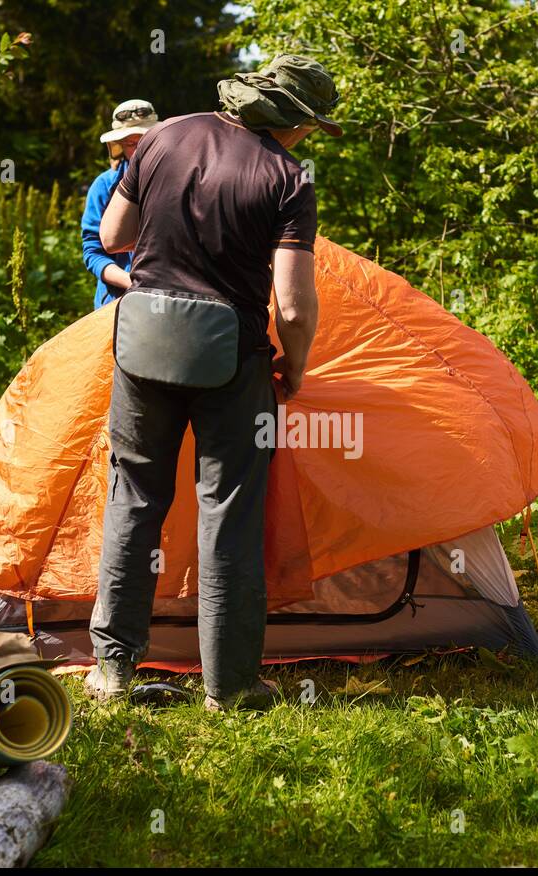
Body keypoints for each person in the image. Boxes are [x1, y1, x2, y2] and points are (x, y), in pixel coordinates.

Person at [85, 54, 343, 711]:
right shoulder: (288, 178)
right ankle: (229, 687)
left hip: (141, 343)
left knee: (134, 497)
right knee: (229, 512)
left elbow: (114, 234)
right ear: (296, 122)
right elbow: (292, 302)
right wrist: (297, 363)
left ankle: (111, 670)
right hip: (231, 360)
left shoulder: (166, 135)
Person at [80, 99, 159, 309]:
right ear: (119, 146)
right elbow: (93, 252)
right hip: (117, 302)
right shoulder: (104, 186)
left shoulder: (175, 180)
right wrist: (131, 281)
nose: (139, 149)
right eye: (131, 144)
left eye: (145, 140)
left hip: (170, 298)